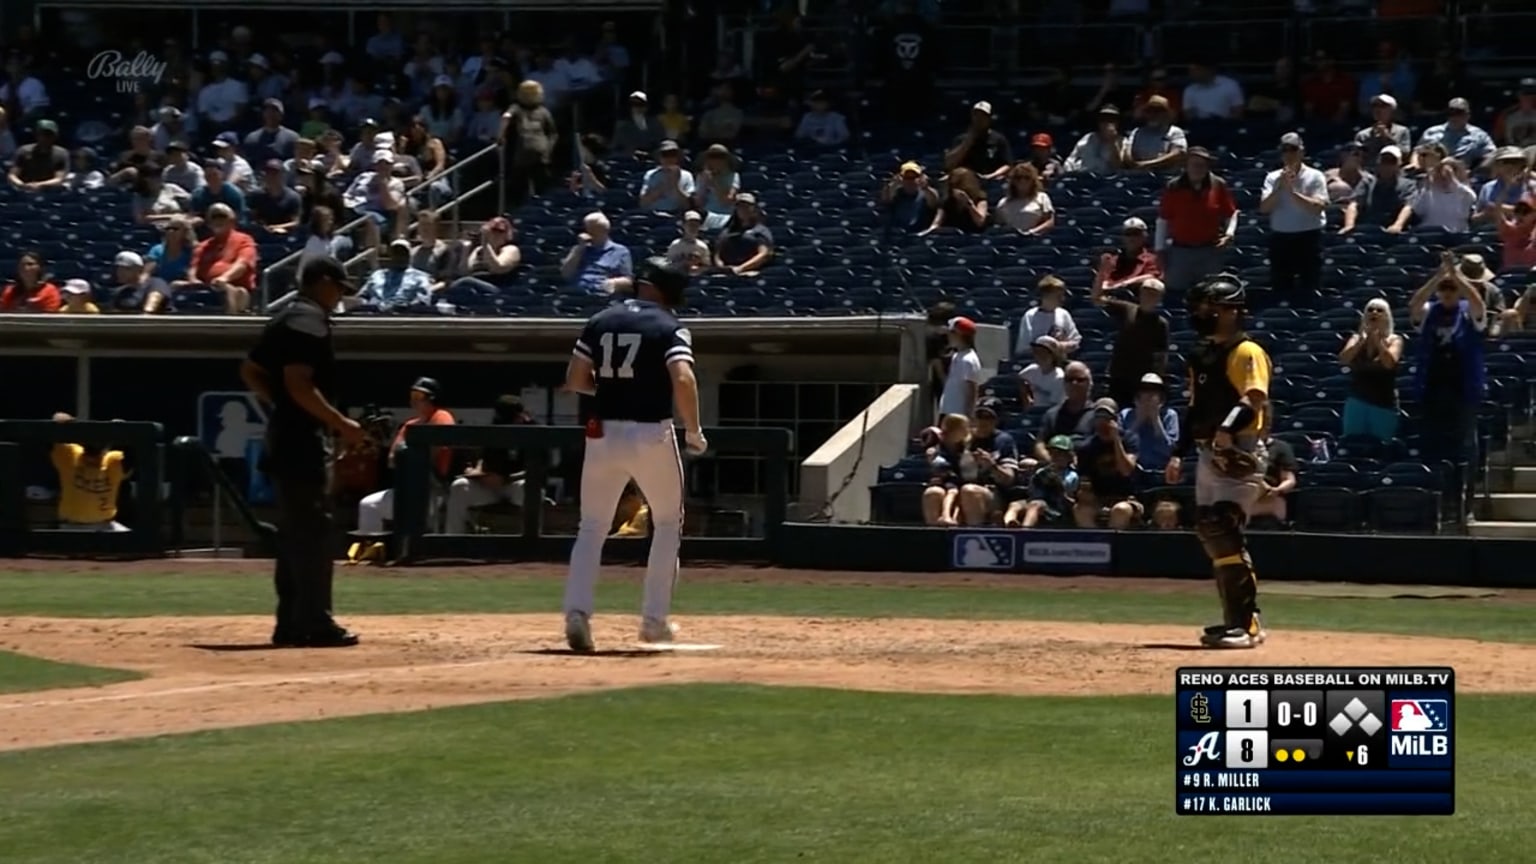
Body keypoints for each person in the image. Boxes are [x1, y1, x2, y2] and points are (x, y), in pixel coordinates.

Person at [560, 257, 704, 652]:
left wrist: (612, 391)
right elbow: (684, 378)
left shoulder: (601, 319)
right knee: (668, 522)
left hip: (602, 431)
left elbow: (575, 380)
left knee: (591, 526)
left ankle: (576, 614)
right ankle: (654, 621)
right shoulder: (670, 326)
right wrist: (693, 430)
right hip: (650, 432)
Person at [239, 256, 365, 648]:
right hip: (300, 438)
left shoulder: (284, 315)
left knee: (296, 532)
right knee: (311, 531)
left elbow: (250, 371)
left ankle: (291, 623)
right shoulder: (308, 318)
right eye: (338, 287)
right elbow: (298, 382)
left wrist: (282, 404)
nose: (339, 297)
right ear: (321, 281)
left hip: (286, 432)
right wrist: (341, 424)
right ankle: (313, 622)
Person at [1164, 274, 1273, 649]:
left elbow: (1254, 397)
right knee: (1212, 531)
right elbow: (1194, 409)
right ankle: (1240, 619)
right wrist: (1179, 452)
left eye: (1210, 307)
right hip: (1208, 452)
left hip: (1238, 449)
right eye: (1200, 307)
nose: (1202, 313)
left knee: (1222, 526)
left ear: (1232, 312)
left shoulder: (1247, 351)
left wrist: (1227, 431)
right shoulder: (1200, 354)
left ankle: (1246, 625)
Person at [350, 377, 457, 562]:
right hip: (406, 489)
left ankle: (432, 561)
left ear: (432, 398)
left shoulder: (442, 416)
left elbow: (434, 451)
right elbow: (393, 459)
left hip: (434, 488)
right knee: (369, 505)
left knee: (425, 528)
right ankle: (373, 553)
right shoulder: (410, 425)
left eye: (419, 395)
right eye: (412, 395)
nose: (413, 400)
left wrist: (409, 451)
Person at [442, 395, 534, 533]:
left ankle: (529, 543)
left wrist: (506, 479)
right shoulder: (494, 429)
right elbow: (484, 460)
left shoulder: (532, 430)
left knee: (528, 489)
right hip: (491, 488)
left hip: (515, 486)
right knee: (459, 486)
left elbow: (537, 469)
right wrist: (477, 473)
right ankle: (453, 542)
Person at [1338, 298, 1404, 441]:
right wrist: (1362, 340)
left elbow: (1389, 363)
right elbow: (1343, 359)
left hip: (1383, 403)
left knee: (1380, 446)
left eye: (1380, 310)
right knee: (1352, 442)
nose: (1374, 313)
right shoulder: (1356, 338)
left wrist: (1378, 342)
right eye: (1370, 309)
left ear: (1387, 316)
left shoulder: (1395, 340)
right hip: (1357, 401)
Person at [49, 412, 128, 531]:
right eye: (90, 450)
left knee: (138, 545)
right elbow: (58, 421)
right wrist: (68, 422)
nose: (92, 456)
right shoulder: (71, 455)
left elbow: (134, 455)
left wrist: (121, 430)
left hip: (105, 526)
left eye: (97, 450)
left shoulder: (112, 460)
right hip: (72, 527)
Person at [957, 399, 1020, 526]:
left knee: (969, 491)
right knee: (933, 493)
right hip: (958, 488)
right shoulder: (962, 439)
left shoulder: (1003, 441)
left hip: (993, 493)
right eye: (980, 416)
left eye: (989, 417)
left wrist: (991, 466)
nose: (983, 421)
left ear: (997, 420)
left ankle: (976, 537)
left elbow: (1009, 479)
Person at [1008, 435, 1079, 528]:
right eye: (1053, 453)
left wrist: (1057, 485)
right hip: (1037, 501)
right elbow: (1031, 492)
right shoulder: (1042, 472)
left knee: (1036, 505)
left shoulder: (1071, 476)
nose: (1056, 457)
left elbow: (1069, 501)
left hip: (1056, 508)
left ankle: (1024, 531)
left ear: (1068, 456)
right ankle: (1009, 524)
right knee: (1015, 505)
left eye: (1060, 454)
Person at [937, 316, 982, 419]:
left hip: (959, 415)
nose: (948, 336)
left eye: (952, 332)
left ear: (960, 335)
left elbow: (972, 391)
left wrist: (968, 417)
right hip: (948, 410)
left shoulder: (968, 360)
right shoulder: (957, 355)